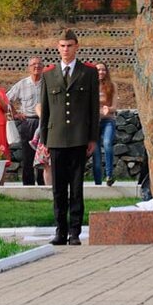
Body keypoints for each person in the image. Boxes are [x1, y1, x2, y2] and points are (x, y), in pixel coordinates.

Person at [39, 30, 99, 246]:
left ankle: (74, 232)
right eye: (63, 46)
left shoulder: (88, 73)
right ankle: (60, 231)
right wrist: (44, 140)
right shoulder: (49, 74)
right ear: (58, 47)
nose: (66, 49)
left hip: (79, 137)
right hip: (55, 138)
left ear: (77, 47)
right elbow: (45, 110)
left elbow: (93, 108)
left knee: (76, 187)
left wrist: (93, 138)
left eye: (70, 45)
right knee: (58, 189)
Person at [7, 56, 44, 186]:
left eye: (39, 64)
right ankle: (28, 185)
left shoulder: (47, 83)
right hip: (27, 122)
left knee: (43, 155)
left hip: (44, 123)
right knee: (28, 156)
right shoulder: (22, 84)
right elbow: (7, 99)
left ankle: (43, 182)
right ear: (29, 68)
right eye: (33, 64)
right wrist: (15, 113)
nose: (36, 67)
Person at [92, 62, 117, 186]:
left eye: (103, 70)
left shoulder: (111, 86)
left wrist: (109, 109)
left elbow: (115, 106)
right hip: (94, 122)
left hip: (108, 120)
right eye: (98, 70)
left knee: (107, 143)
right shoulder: (90, 86)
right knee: (95, 152)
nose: (101, 72)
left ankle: (109, 175)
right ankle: (98, 182)